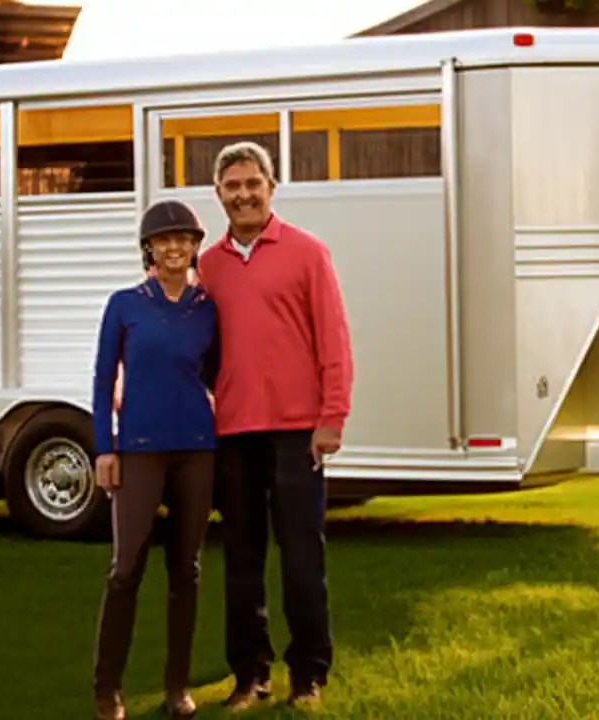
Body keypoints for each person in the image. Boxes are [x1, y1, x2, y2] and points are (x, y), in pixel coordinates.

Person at [197, 141, 354, 710]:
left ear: (270, 188)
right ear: (219, 195)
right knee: (241, 559)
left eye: (252, 184)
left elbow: (334, 342)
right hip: (234, 432)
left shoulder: (309, 253)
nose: (243, 194)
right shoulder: (207, 266)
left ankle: (309, 676)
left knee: (302, 558)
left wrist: (331, 416)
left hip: (297, 431)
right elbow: (202, 350)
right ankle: (250, 676)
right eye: (232, 187)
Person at [90, 199, 220, 720]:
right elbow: (102, 382)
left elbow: (217, 374)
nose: (174, 247)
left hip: (196, 449)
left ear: (194, 247)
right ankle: (107, 688)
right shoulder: (124, 305)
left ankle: (176, 686)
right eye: (164, 240)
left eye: (184, 239)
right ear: (149, 248)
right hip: (139, 449)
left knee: (186, 571)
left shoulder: (207, 309)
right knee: (125, 569)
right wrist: (105, 446)